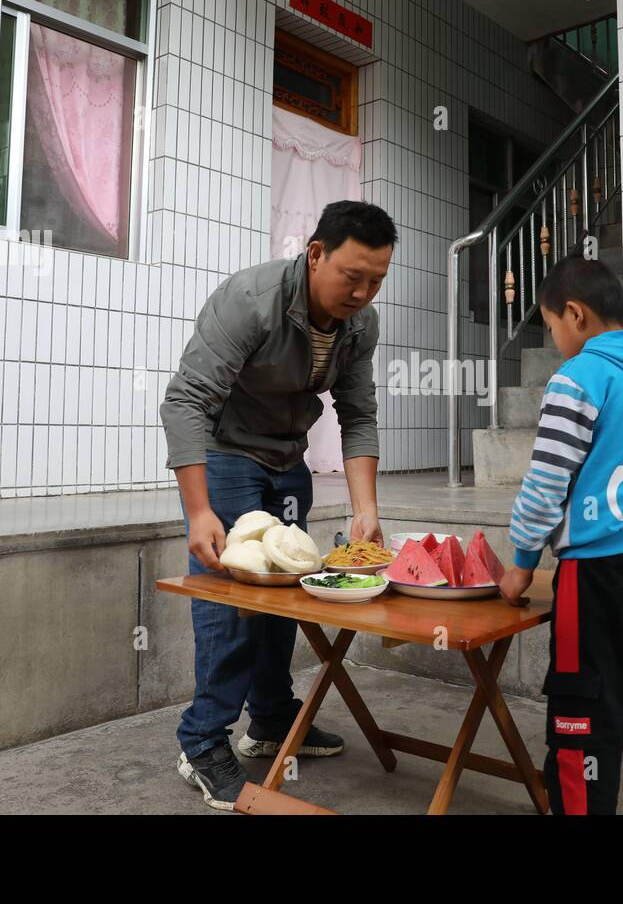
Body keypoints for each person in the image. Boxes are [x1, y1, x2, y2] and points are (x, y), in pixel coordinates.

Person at [159, 200, 395, 811]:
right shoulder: (250, 300)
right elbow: (185, 402)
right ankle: (203, 740)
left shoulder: (360, 326)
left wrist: (365, 506)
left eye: (376, 280)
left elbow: (359, 414)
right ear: (315, 254)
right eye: (353, 276)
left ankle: (270, 717)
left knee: (288, 589)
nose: (363, 293)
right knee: (233, 599)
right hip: (226, 452)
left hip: (288, 459)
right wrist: (201, 508)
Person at [498, 255, 623, 815]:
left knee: (582, 717)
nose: (554, 341)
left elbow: (545, 481)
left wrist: (522, 561)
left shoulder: (578, 378)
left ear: (575, 314)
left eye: (552, 326)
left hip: (595, 576)